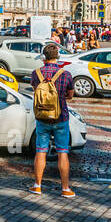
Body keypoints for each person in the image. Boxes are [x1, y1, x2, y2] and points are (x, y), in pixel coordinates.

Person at [29, 42, 75, 197]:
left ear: (43, 57)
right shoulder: (66, 74)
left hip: (42, 118)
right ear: (58, 56)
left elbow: (36, 91)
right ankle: (65, 189)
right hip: (61, 117)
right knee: (63, 152)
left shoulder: (36, 73)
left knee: (41, 151)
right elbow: (70, 95)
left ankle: (37, 186)